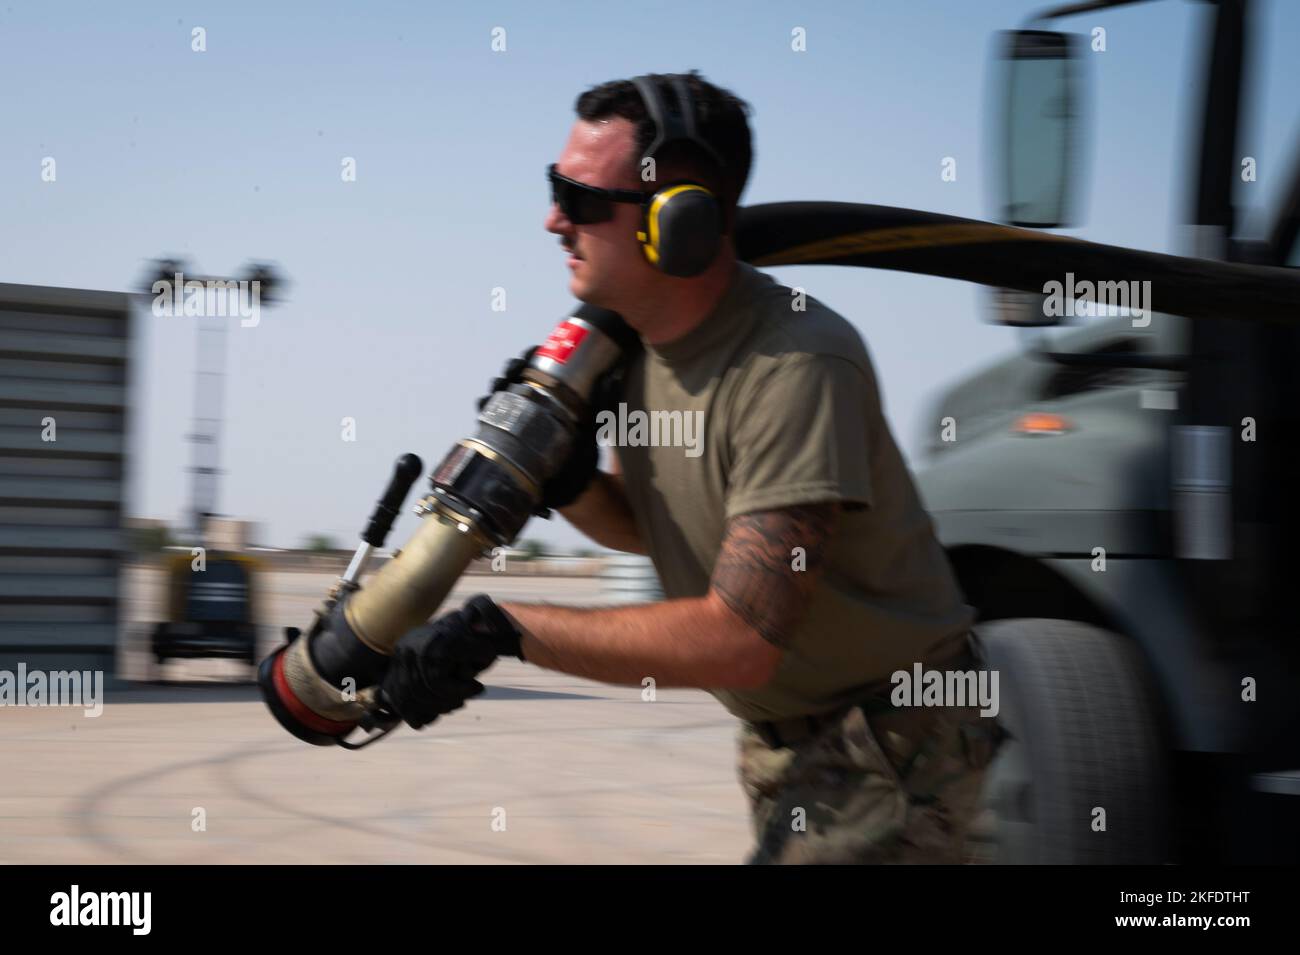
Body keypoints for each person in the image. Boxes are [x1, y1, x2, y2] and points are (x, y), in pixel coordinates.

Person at [379, 71, 997, 864]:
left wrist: (505, 629)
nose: (554, 219)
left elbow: (740, 635)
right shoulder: (634, 354)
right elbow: (657, 531)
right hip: (788, 738)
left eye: (582, 198)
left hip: (900, 730)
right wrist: (571, 485)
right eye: (553, 188)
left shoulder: (796, 363)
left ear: (680, 216)